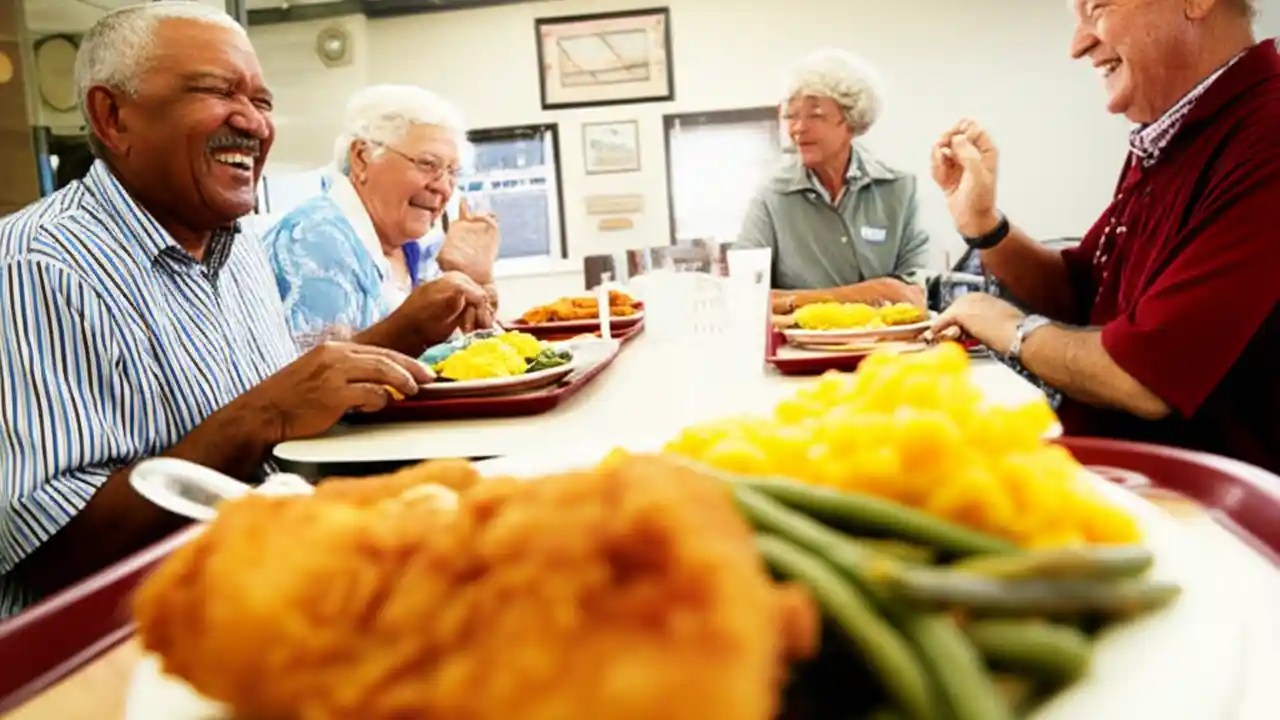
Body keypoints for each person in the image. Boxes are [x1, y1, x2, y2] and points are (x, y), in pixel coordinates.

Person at [0, 2, 491, 617]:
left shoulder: (239, 250)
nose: (253, 124)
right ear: (113, 116)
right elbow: (57, 551)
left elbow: (296, 417)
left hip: (270, 584)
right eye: (214, 91)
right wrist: (263, 414)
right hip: (127, 646)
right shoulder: (37, 267)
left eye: (262, 103)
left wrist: (406, 333)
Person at [929, 0, 1279, 472]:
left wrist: (1005, 326)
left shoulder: (1266, 134)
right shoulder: (1166, 135)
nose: (1078, 45)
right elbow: (1084, 296)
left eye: (1097, 8)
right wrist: (984, 226)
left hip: (1206, 513)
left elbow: (1143, 376)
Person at [262, 85, 501, 345]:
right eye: (427, 164)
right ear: (362, 158)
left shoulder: (414, 248)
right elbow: (324, 375)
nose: (443, 187)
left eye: (452, 172)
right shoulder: (312, 239)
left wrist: (476, 282)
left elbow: (471, 357)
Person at [738, 48, 931, 314]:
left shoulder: (899, 189)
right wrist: (866, 294)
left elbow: (914, 293)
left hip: (888, 348)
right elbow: (744, 295)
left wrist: (794, 301)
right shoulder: (770, 196)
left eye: (815, 115)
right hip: (802, 351)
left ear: (852, 120)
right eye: (791, 116)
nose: (798, 128)